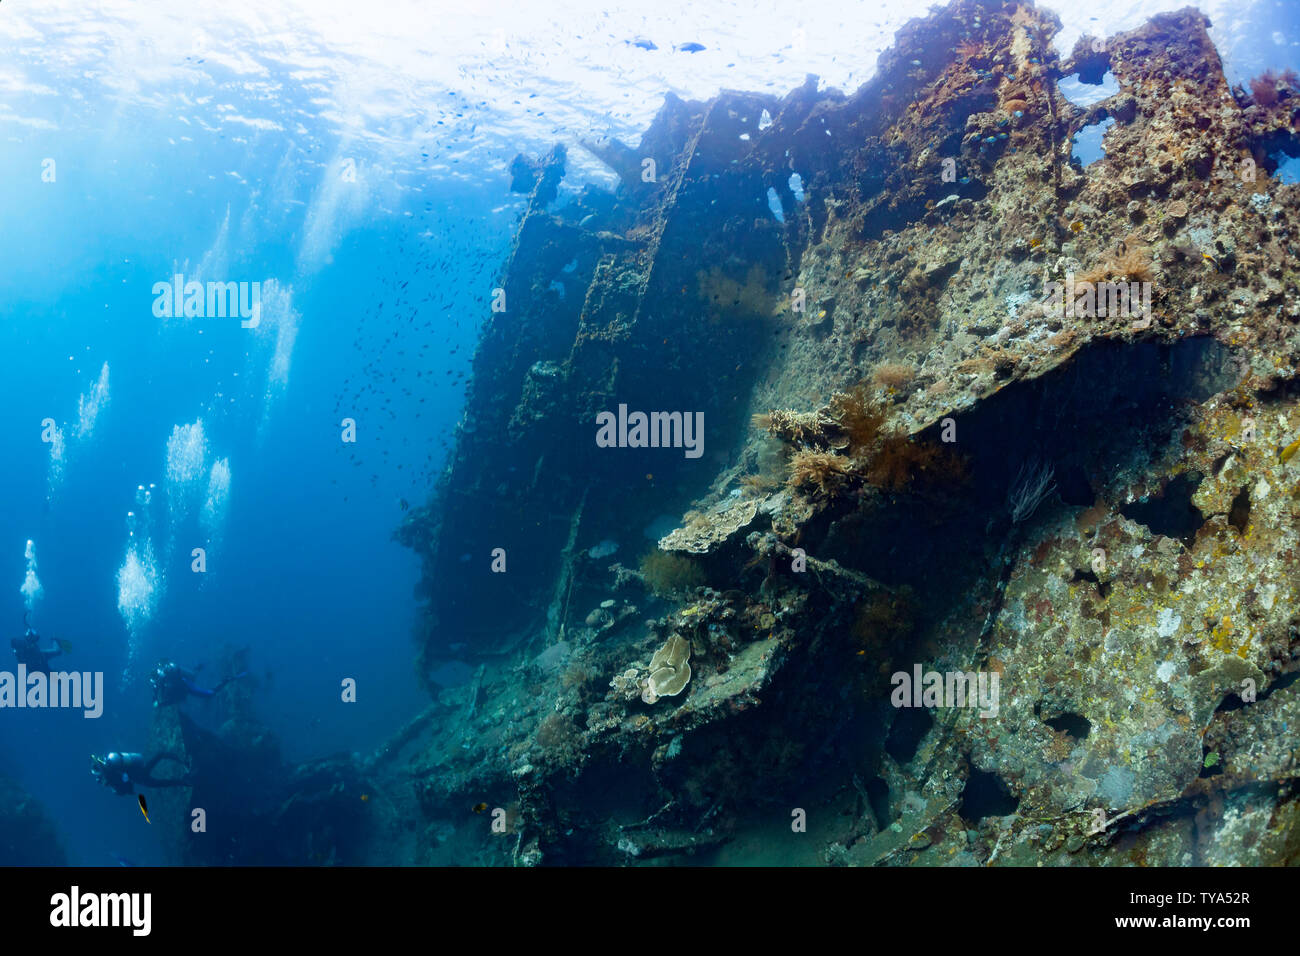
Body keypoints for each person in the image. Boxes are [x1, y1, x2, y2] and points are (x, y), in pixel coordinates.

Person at [150, 659, 246, 708]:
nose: (156, 683)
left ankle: (227, 679)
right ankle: (198, 668)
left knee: (210, 694)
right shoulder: (159, 681)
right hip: (183, 684)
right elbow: (156, 691)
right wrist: (156, 700)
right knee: (193, 675)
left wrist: (160, 704)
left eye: (156, 680)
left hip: (185, 685)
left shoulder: (165, 677)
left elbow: (170, 697)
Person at [90, 752, 191, 796]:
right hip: (137, 770)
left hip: (139, 777)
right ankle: (181, 765)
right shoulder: (109, 765)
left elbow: (123, 789)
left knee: (161, 783)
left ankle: (185, 782)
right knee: (155, 762)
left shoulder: (109, 776)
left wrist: (112, 787)